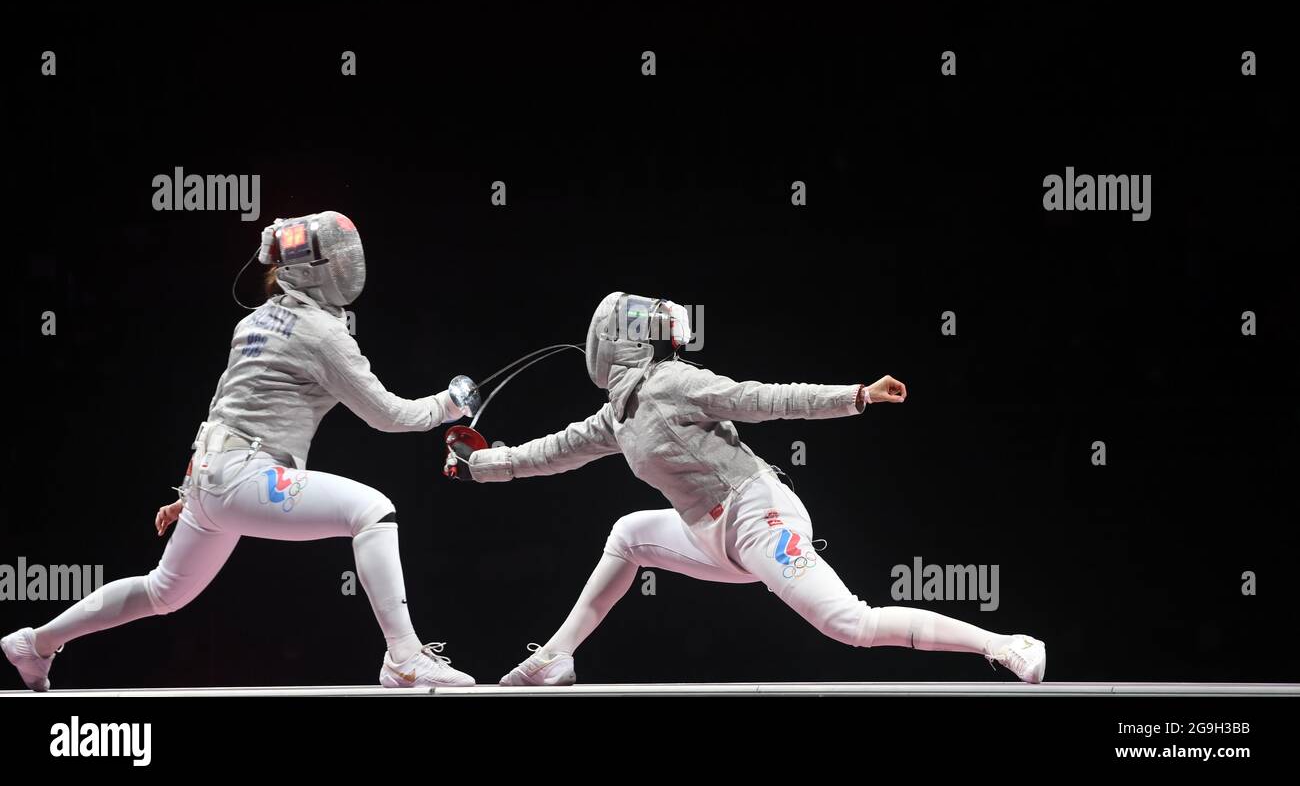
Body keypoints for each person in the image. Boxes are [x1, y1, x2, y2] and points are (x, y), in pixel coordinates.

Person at [451, 292, 1047, 686]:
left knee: (851, 625)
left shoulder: (672, 381)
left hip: (757, 516)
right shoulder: (618, 415)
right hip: (709, 535)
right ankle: (556, 657)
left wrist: (855, 395)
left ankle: (1004, 643)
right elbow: (552, 451)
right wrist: (480, 465)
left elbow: (762, 397)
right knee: (628, 534)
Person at [3, 211, 476, 691]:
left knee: (163, 591)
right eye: (339, 261)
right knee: (374, 511)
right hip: (245, 477)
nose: (349, 270)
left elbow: (224, 406)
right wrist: (450, 404)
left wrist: (191, 492)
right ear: (318, 269)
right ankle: (404, 657)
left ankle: (35, 644)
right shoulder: (320, 333)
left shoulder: (255, 322)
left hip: (212, 477)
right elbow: (386, 415)